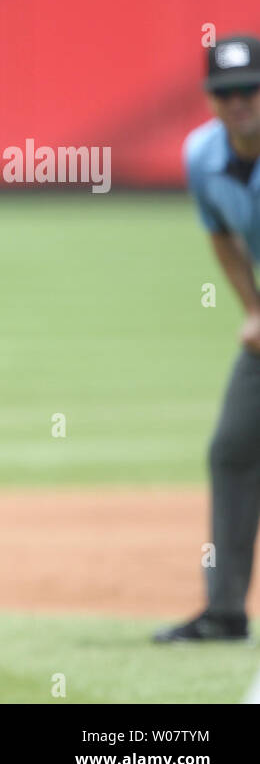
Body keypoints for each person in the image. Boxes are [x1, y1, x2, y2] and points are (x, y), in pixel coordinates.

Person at [156, 34, 260, 643]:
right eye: (226, 93)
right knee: (232, 449)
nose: (240, 102)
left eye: (250, 89)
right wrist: (250, 308)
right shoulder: (202, 154)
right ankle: (224, 612)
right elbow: (220, 232)